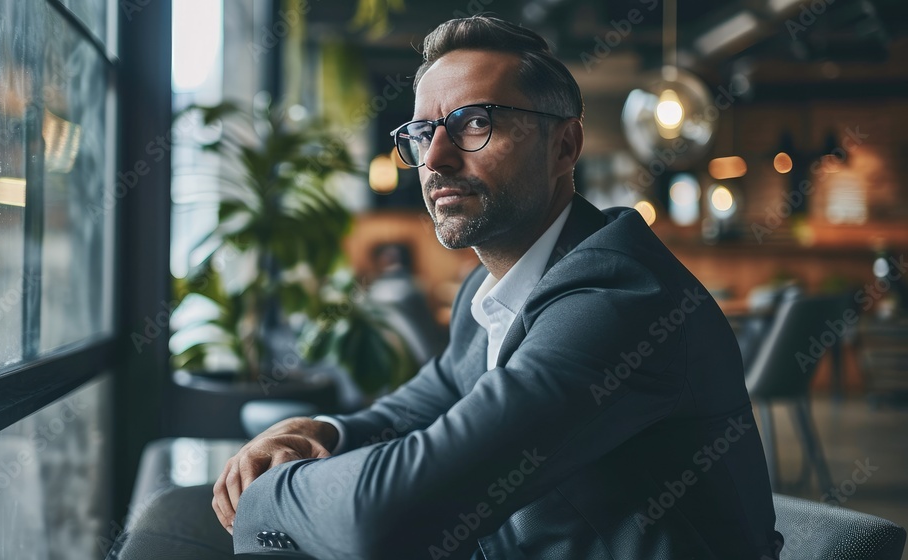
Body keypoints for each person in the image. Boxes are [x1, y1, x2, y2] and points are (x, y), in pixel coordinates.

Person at [213, 15, 783, 560]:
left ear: (564, 147)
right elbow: (425, 402)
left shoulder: (621, 298)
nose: (436, 158)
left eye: (474, 123)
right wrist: (321, 431)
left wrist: (267, 492)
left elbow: (392, 513)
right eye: (422, 133)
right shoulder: (487, 289)